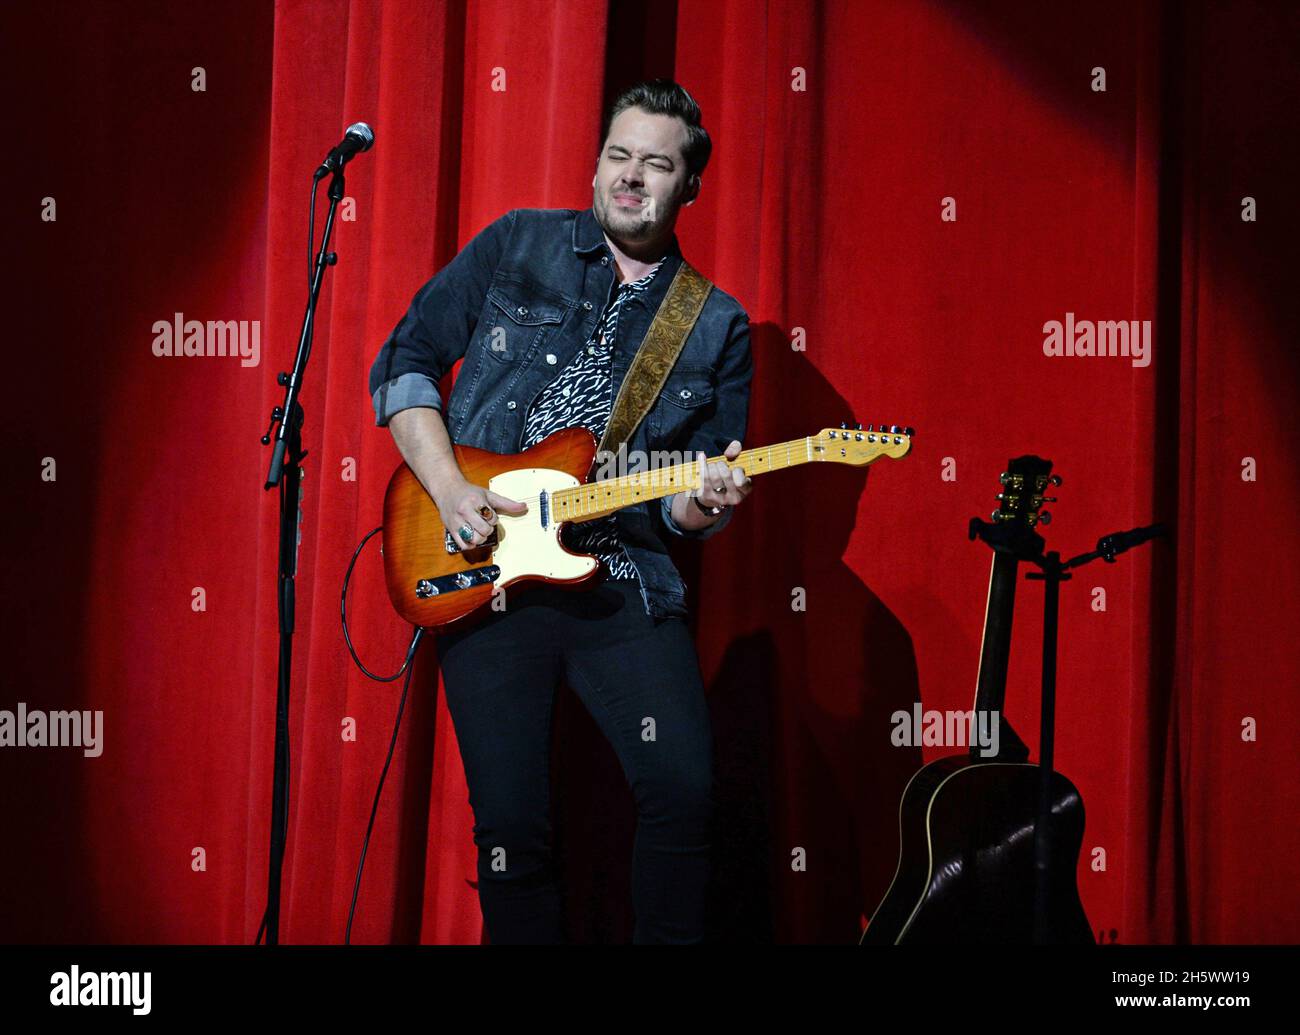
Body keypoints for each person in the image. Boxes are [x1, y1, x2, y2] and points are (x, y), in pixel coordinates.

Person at [368, 79, 753, 944]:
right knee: (512, 830)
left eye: (657, 164)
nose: (630, 177)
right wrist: (449, 488)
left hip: (619, 576)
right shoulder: (518, 244)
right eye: (618, 156)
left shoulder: (714, 323)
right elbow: (405, 360)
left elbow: (691, 508)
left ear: (688, 185)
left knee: (685, 795)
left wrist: (705, 502)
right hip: (487, 562)